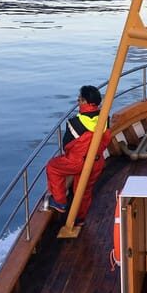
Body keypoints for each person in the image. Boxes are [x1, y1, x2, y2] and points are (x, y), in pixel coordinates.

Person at [45, 85, 111, 225]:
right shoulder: (105, 119)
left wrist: (72, 159)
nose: (78, 101)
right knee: (84, 190)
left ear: (86, 102)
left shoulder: (74, 123)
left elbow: (66, 146)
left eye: (80, 99)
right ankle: (80, 219)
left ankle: (60, 202)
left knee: (52, 167)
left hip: (77, 163)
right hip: (97, 162)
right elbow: (106, 141)